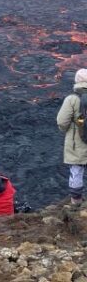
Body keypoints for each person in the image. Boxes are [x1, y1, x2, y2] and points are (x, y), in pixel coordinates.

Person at [57, 69, 87, 205]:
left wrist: (69, 130)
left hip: (77, 142)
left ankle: (76, 202)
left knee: (76, 171)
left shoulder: (72, 99)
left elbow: (62, 122)